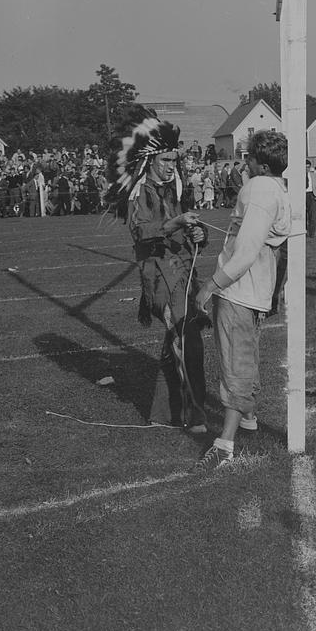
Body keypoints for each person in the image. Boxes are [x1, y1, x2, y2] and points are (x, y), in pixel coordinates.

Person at [106, 111, 209, 433]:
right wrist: (174, 224)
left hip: (183, 274)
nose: (171, 165)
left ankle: (165, 413)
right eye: (165, 160)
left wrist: (199, 236)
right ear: (150, 160)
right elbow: (141, 232)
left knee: (180, 338)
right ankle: (194, 414)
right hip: (159, 278)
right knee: (186, 339)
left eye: (174, 160)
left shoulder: (174, 190)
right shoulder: (141, 193)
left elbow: (188, 235)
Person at [194, 130, 291, 471]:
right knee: (245, 355)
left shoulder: (261, 188)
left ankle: (225, 444)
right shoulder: (275, 187)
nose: (243, 163)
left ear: (262, 164)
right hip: (254, 289)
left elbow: (246, 251)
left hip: (240, 289)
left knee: (235, 363)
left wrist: (211, 285)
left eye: (248, 158)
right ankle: (248, 416)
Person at [305, 159, 316, 238]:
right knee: (303, 216)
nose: (306, 169)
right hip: (302, 196)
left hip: (311, 195)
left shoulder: (314, 175)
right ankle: (304, 232)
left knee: (312, 216)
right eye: (305, 167)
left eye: (308, 167)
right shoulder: (299, 175)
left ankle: (311, 234)